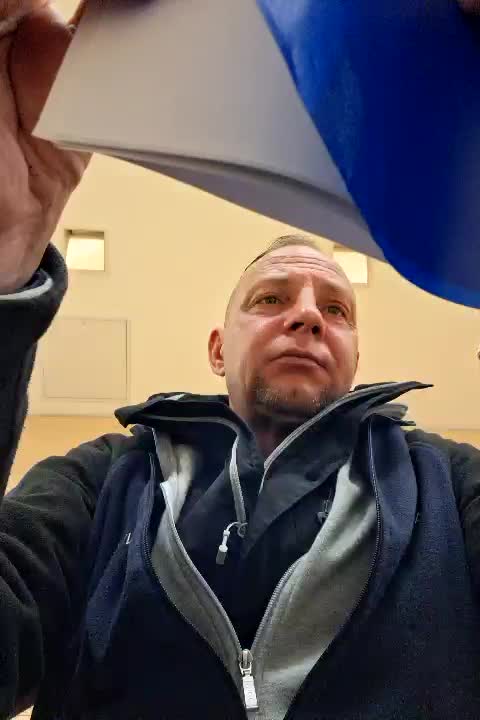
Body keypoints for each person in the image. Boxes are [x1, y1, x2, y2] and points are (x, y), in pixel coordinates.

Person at [1, 2, 480, 720]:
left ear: (356, 356)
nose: (307, 314)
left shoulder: (449, 483)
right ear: (218, 349)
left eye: (336, 310)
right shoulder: (100, 481)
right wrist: (6, 247)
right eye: (270, 298)